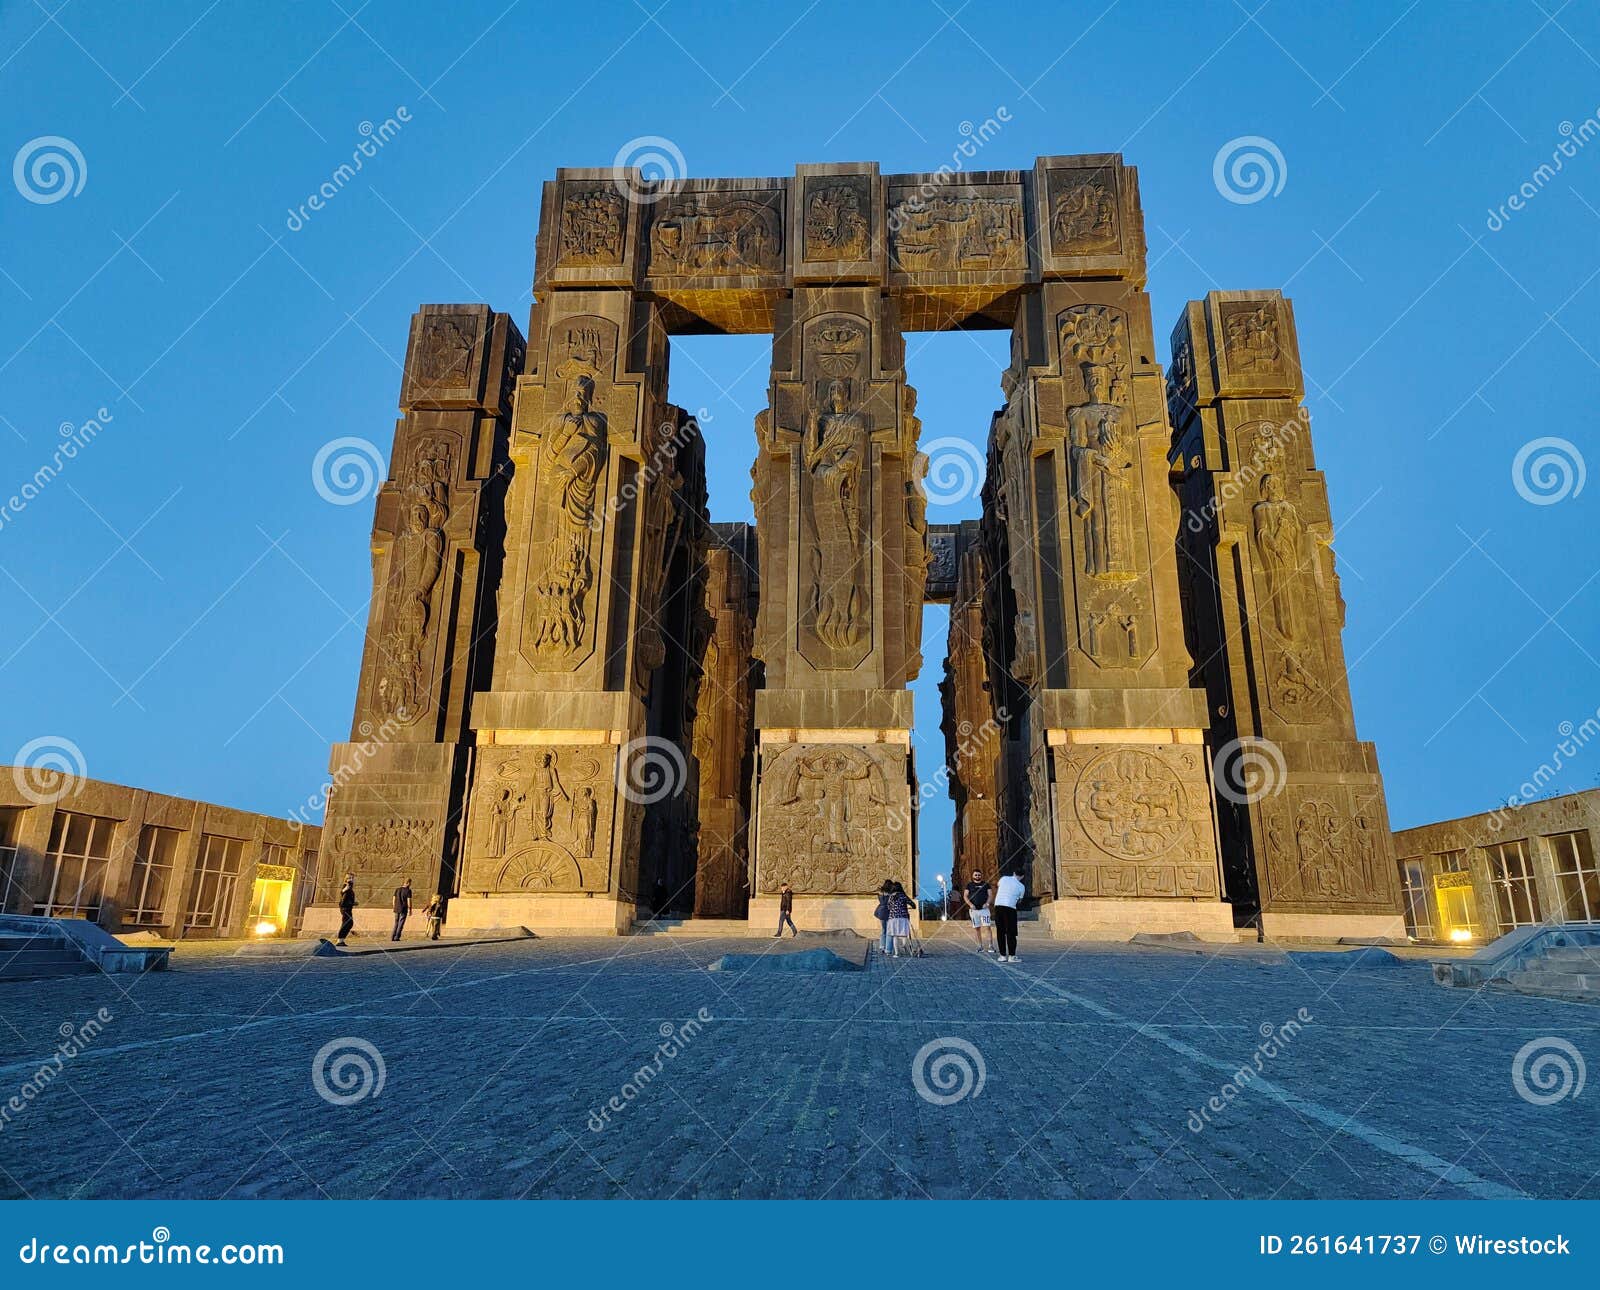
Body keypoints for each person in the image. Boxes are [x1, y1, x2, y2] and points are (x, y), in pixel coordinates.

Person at [993, 869, 1025, 962]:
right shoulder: (1022, 886)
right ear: (1022, 877)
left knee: (1000, 932)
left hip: (998, 906)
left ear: (1014, 873)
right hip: (1010, 908)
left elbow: (998, 886)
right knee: (1011, 933)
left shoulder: (1004, 878)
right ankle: (1012, 956)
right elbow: (1020, 900)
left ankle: (1002, 956)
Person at [963, 869, 995, 954]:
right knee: (977, 928)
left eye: (979, 875)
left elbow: (990, 895)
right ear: (973, 876)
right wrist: (970, 904)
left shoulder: (986, 884)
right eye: (976, 875)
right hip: (974, 910)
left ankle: (991, 945)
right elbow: (965, 896)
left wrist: (987, 903)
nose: (977, 876)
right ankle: (980, 946)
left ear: (981, 875)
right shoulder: (969, 885)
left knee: (988, 927)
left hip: (984, 910)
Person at [886, 881, 913, 957]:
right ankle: (904, 945)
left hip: (893, 918)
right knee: (904, 934)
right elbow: (912, 904)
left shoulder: (891, 897)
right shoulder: (903, 896)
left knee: (895, 935)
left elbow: (888, 907)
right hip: (903, 917)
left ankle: (896, 953)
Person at [336, 873, 357, 946]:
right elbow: (342, 892)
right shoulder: (347, 886)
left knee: (349, 923)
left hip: (348, 907)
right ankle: (339, 940)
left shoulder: (350, 887)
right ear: (346, 879)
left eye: (353, 878)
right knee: (346, 923)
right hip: (345, 908)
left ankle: (341, 940)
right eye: (350, 878)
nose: (352, 879)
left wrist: (353, 903)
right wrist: (346, 888)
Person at [873, 879, 893, 955]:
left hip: (881, 911)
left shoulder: (880, 893)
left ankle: (882, 946)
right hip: (887, 911)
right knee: (888, 931)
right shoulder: (890, 894)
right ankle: (888, 949)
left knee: (883, 930)